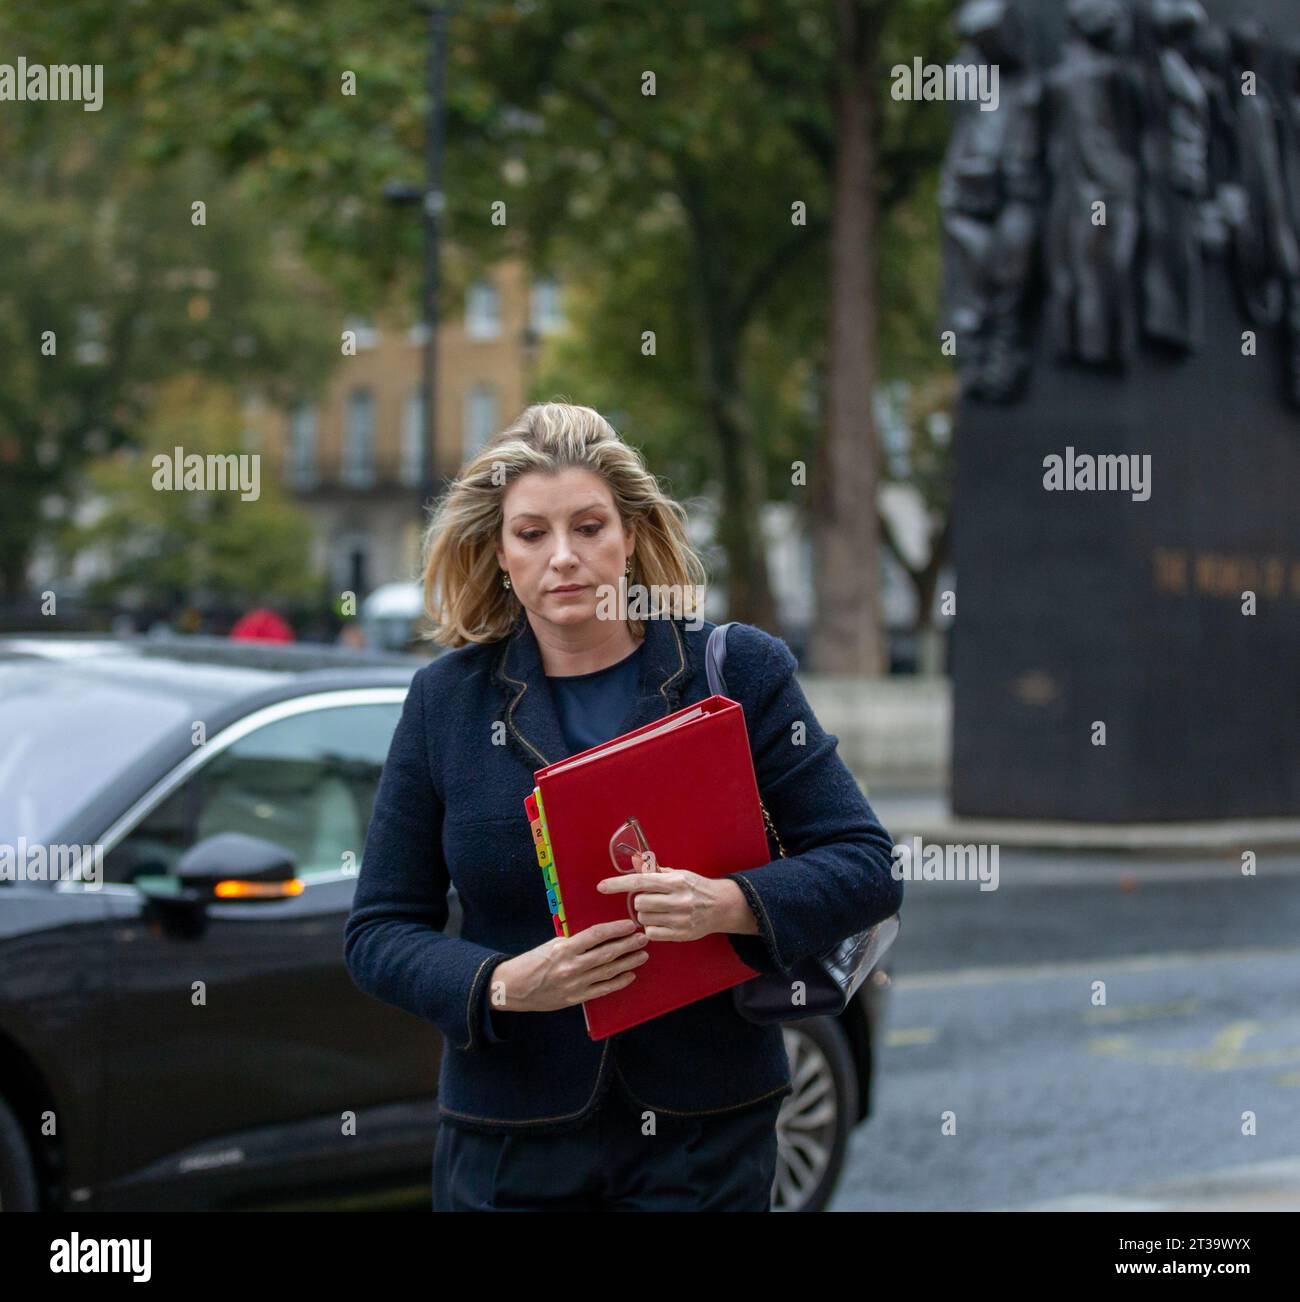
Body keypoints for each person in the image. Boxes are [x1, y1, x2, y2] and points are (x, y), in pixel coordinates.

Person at [343, 402, 901, 1212]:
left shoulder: (735, 669)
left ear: (631, 535)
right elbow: (378, 930)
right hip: (509, 1140)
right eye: (532, 533)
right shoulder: (445, 702)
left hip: (704, 1134)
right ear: (499, 552)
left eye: (590, 526)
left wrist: (731, 904)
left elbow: (864, 866)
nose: (563, 557)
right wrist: (497, 983)